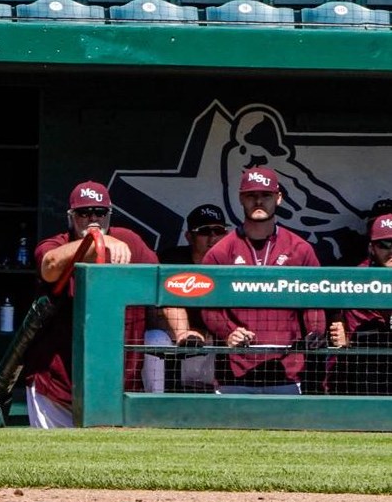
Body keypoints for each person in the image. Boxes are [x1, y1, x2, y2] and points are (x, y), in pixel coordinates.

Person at [21, 181, 160, 428]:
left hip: (117, 387)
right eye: (83, 213)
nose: (92, 218)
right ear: (71, 216)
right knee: (51, 464)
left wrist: (181, 330)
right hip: (57, 385)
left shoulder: (130, 242)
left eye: (99, 212)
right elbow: (49, 266)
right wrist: (97, 242)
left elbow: (160, 286)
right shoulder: (56, 244)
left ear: (109, 214)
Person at [199, 165, 325, 394]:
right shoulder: (221, 251)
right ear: (240, 198)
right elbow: (208, 305)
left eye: (266, 195)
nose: (258, 201)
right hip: (234, 372)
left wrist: (315, 330)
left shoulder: (300, 249)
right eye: (251, 195)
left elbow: (314, 300)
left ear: (278, 198)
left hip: (286, 370)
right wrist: (228, 332)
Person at [158, 202, 230, 391]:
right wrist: (185, 332)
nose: (213, 237)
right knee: (155, 337)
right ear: (189, 236)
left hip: (219, 339)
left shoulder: (234, 261)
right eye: (205, 231)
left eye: (219, 230)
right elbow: (158, 309)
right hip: (177, 339)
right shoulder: (173, 260)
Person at [327, 212, 392, 395]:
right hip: (363, 369)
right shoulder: (354, 280)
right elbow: (336, 325)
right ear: (372, 248)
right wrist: (340, 332)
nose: (391, 251)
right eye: (385, 244)